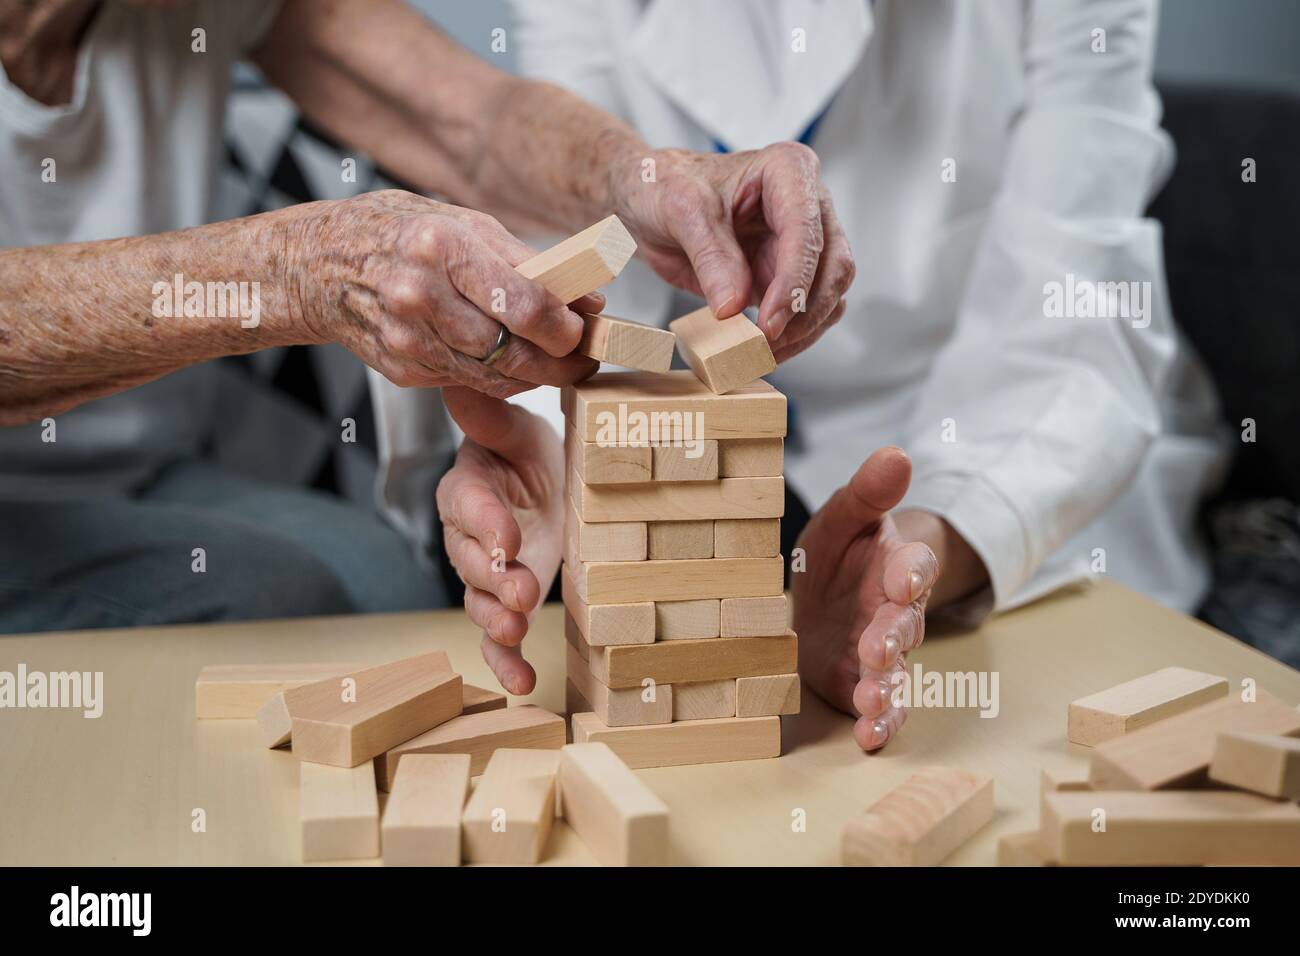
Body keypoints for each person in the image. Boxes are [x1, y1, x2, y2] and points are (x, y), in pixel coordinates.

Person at [434, 0, 1227, 751]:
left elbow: (1070, 309)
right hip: (743, 479)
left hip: (1018, 462)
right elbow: (589, 280)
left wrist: (926, 546)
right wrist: (557, 450)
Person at [0, 0, 852, 631]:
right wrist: (304, 271)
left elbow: (470, 121)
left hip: (142, 472)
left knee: (386, 589)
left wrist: (647, 178)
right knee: (284, 597)